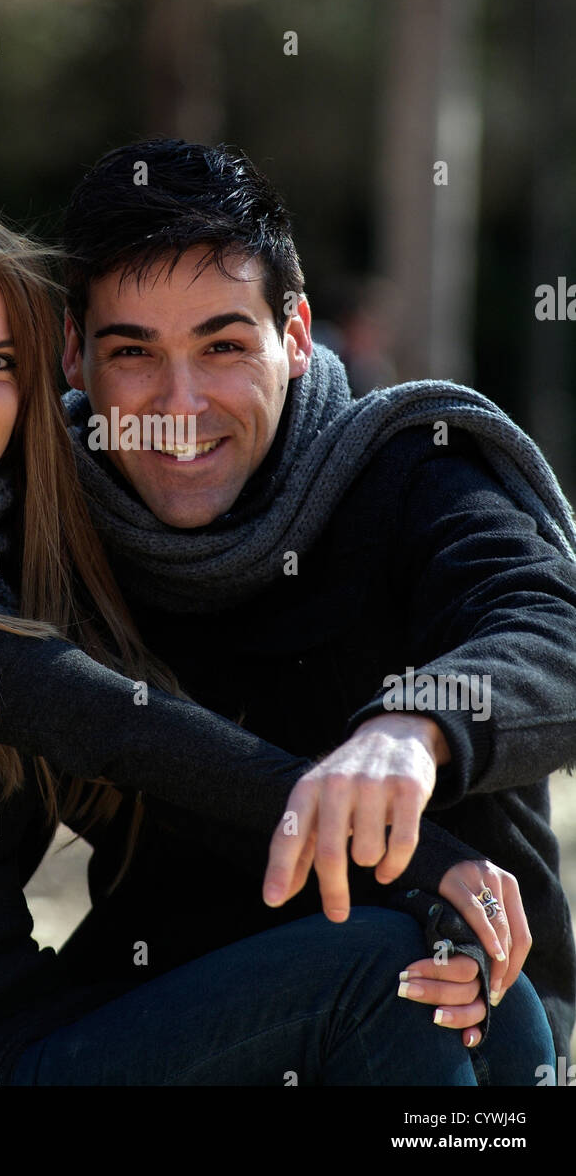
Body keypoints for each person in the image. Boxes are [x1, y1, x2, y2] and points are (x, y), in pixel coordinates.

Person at [0, 181, 532, 1087]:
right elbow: (112, 725)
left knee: (481, 994)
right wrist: (434, 863)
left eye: (0, 362)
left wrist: (419, 874)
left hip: (25, 1021)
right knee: (388, 975)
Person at [51, 137, 576, 1078]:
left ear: (295, 337)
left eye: (221, 345)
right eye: (133, 353)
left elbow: (549, 625)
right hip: (178, 1025)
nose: (179, 404)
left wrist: (415, 727)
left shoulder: (414, 469)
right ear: (74, 357)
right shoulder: (50, 517)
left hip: (460, 1032)